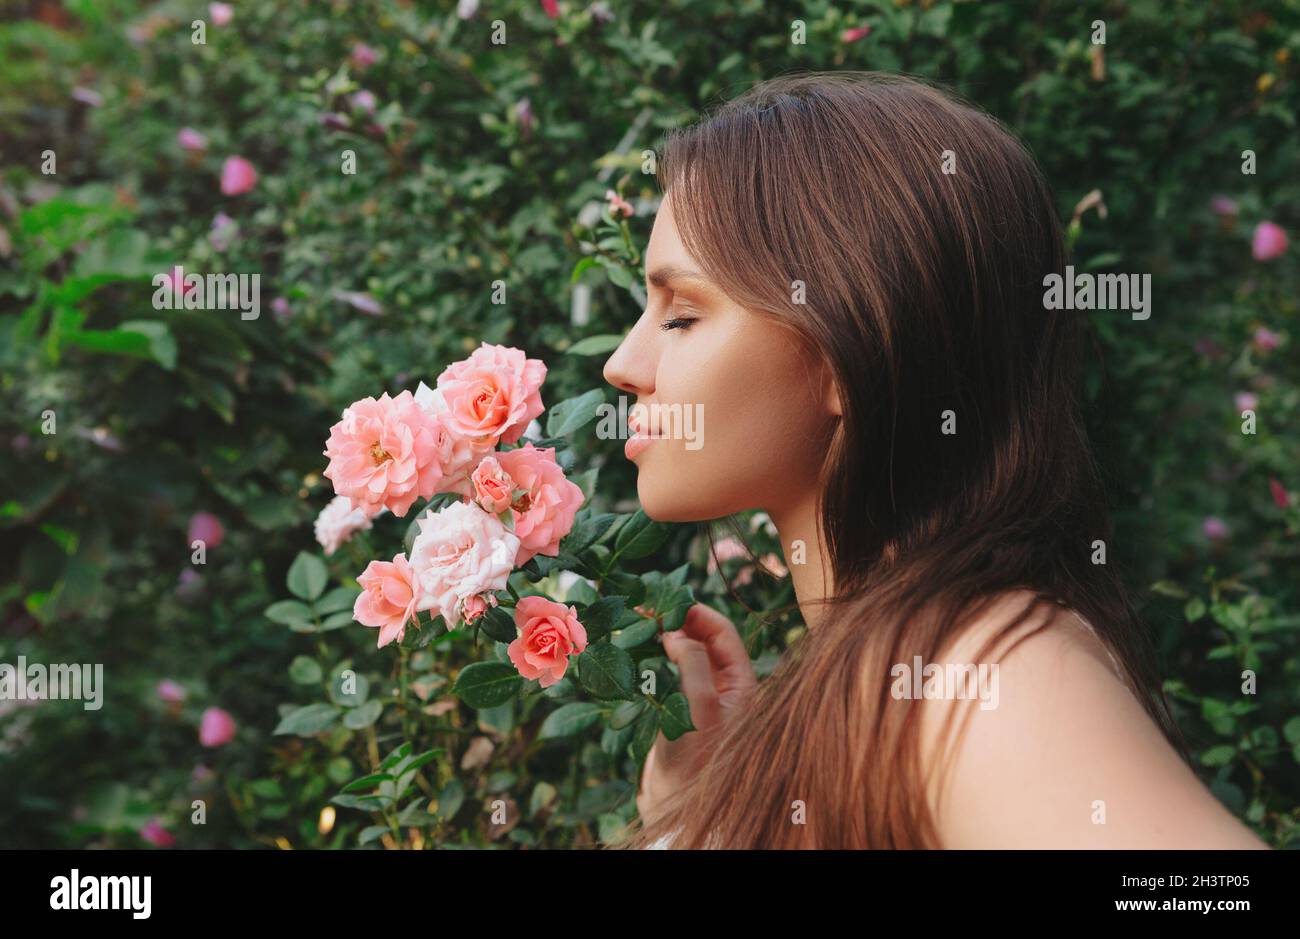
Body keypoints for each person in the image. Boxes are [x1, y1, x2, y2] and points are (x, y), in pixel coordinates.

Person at [600, 71, 1268, 850]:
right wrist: (705, 809)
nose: (622, 362)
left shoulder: (978, 669)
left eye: (681, 314)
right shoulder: (879, 670)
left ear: (850, 347)